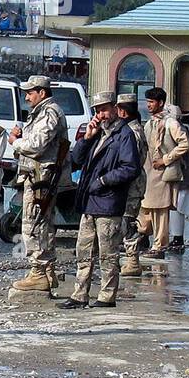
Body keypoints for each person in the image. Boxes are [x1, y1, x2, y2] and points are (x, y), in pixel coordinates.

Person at [60, 92, 141, 310]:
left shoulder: (125, 134)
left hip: (108, 202)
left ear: (115, 108)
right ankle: (80, 294)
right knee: (84, 251)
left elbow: (130, 168)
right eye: (97, 110)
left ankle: (107, 296)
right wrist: (86, 138)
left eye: (104, 109)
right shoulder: (97, 133)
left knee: (108, 254)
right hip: (89, 201)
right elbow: (75, 160)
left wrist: (104, 181)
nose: (101, 114)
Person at [8, 75, 70, 294]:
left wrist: (16, 142)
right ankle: (48, 271)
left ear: (42, 93)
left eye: (30, 92)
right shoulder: (42, 112)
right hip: (37, 176)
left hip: (41, 179)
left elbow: (38, 146)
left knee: (33, 225)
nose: (27, 97)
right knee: (43, 225)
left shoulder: (49, 112)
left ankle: (38, 272)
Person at [137, 87, 189, 260]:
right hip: (148, 173)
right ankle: (144, 239)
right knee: (145, 211)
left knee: (160, 212)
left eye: (152, 102)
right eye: (147, 102)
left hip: (162, 173)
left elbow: (184, 144)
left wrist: (166, 159)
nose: (149, 105)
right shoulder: (149, 123)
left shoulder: (170, 123)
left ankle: (159, 247)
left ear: (160, 103)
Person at [116, 93, 148, 277]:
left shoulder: (132, 132)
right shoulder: (134, 128)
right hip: (131, 182)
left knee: (127, 222)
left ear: (123, 111)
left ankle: (132, 260)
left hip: (131, 184)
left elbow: (130, 163)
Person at [167, 106, 189, 252]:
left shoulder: (179, 130)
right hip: (179, 176)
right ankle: (176, 238)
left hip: (180, 176)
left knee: (177, 208)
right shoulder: (182, 129)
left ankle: (177, 238)